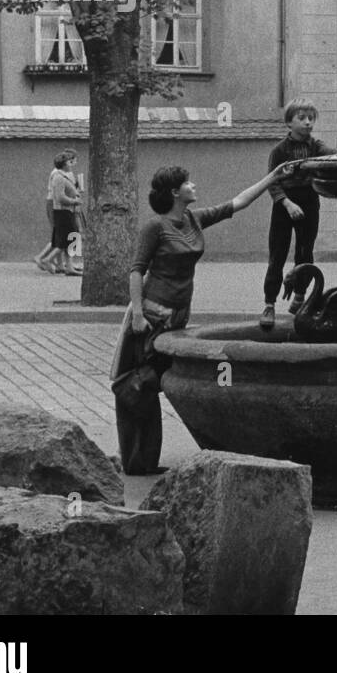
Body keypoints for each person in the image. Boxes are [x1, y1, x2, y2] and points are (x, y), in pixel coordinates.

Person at [115, 160, 299, 474]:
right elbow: (136, 270)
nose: (194, 186)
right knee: (136, 387)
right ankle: (135, 463)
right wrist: (137, 314)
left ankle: (143, 460)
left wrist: (272, 177)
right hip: (151, 314)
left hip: (177, 315)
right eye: (188, 183)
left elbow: (238, 203)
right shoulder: (155, 226)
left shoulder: (194, 219)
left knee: (151, 383)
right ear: (175, 192)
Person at [260, 100, 337, 330]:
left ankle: (300, 294)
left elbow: (330, 153)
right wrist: (287, 203)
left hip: (309, 200)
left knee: (305, 251)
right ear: (289, 122)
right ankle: (269, 304)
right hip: (285, 203)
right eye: (302, 118)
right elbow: (272, 182)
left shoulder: (315, 145)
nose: (308, 122)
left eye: (311, 118)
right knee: (277, 254)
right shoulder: (280, 150)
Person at [34, 150, 71, 273]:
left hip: (54, 203)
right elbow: (59, 194)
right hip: (55, 204)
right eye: (70, 161)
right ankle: (42, 258)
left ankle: (60, 264)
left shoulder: (59, 173)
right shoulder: (58, 174)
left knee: (58, 235)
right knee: (59, 235)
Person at [49, 150, 82, 276]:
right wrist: (75, 201)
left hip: (68, 211)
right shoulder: (59, 177)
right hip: (63, 212)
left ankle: (69, 266)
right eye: (69, 162)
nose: (72, 164)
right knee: (67, 239)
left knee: (73, 237)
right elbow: (59, 197)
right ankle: (48, 260)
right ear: (64, 164)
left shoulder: (65, 175)